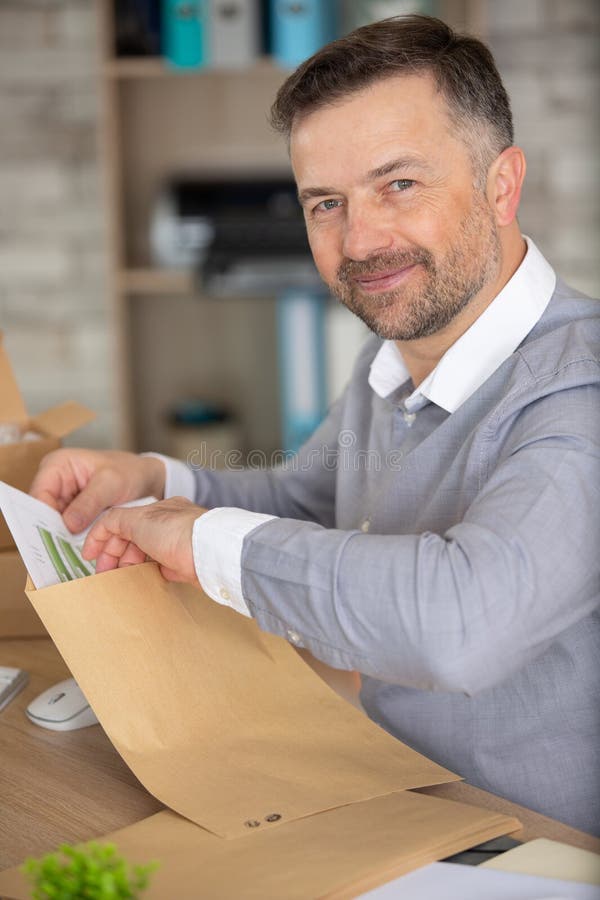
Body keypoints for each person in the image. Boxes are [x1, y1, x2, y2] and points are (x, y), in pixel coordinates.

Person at [31, 16, 599, 835]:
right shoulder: (402, 354)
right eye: (326, 202)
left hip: (540, 849)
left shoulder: (579, 388)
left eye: (399, 184)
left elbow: (461, 627)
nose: (360, 240)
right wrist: (158, 482)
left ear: (501, 186)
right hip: (401, 799)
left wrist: (199, 539)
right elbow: (309, 495)